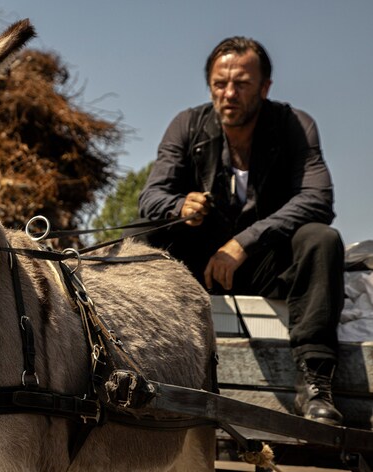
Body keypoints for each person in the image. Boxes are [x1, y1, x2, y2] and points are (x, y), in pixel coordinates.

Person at [135, 37, 345, 425]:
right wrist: (178, 207)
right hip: (199, 269)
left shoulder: (295, 125)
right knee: (145, 237)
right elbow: (151, 197)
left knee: (321, 239)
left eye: (242, 83)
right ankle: (141, 364)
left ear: (265, 87)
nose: (229, 93)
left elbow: (318, 198)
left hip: (267, 265)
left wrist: (244, 242)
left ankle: (315, 382)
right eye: (220, 83)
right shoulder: (187, 125)